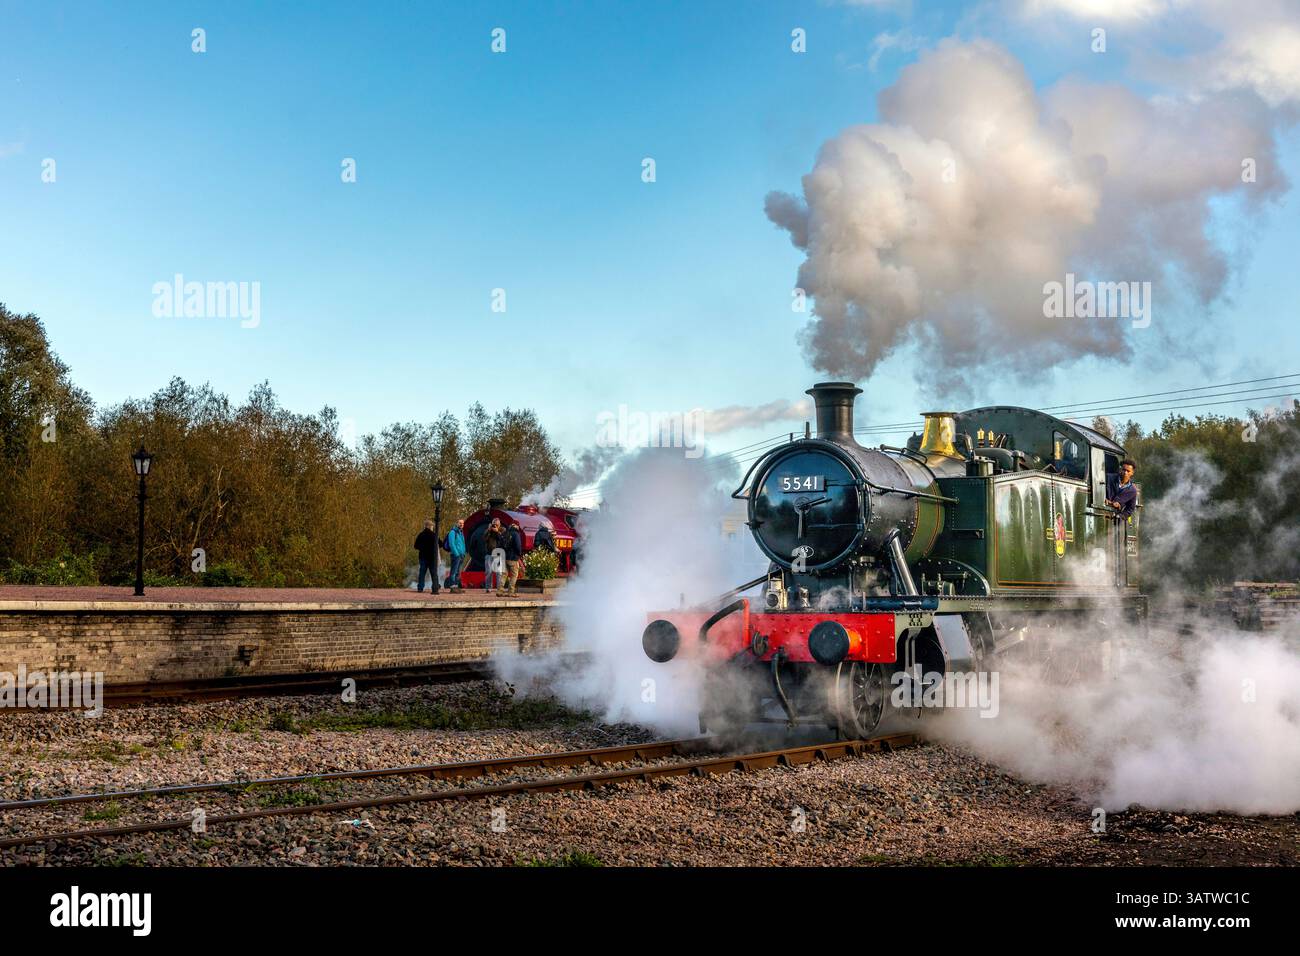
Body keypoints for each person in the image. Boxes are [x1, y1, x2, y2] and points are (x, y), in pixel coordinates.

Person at [413, 519, 439, 593]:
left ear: (425, 526)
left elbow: (415, 546)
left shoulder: (421, 535)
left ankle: (420, 588)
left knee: (422, 573)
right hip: (432, 557)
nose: (433, 527)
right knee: (433, 573)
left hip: (423, 557)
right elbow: (440, 544)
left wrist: (422, 548)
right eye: (432, 526)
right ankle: (435, 587)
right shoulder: (434, 535)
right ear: (430, 526)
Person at [500, 522, 524, 596]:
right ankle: (511, 591)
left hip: (505, 557)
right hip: (513, 558)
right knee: (514, 575)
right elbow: (518, 546)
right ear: (516, 526)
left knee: (504, 575)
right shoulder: (516, 534)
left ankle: (500, 591)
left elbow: (501, 544)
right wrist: (519, 554)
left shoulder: (505, 533)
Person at [443, 518, 466, 592]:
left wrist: (463, 553)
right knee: (453, 571)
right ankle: (452, 587)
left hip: (461, 555)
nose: (461, 525)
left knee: (458, 572)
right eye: (460, 523)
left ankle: (456, 587)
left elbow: (462, 544)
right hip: (455, 555)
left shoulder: (461, 532)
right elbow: (452, 544)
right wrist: (456, 554)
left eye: (462, 523)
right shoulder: (452, 532)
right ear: (456, 523)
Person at [483, 518, 504, 593]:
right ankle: (488, 588)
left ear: (499, 524)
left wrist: (497, 532)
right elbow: (484, 539)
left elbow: (502, 540)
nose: (495, 525)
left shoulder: (502, 530)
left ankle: (499, 588)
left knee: (499, 572)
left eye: (497, 524)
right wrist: (489, 530)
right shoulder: (488, 530)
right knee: (488, 572)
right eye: (494, 524)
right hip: (489, 554)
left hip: (498, 554)